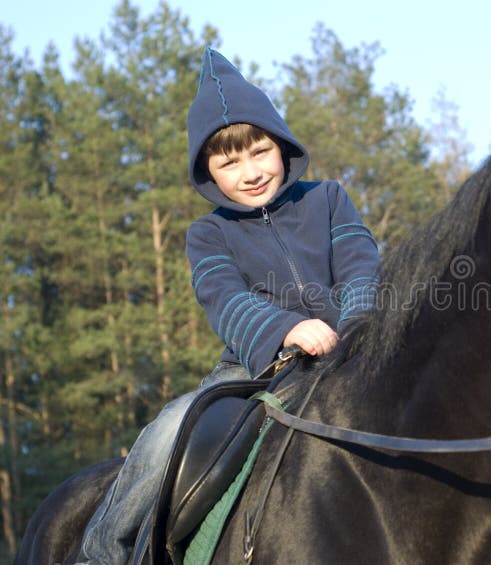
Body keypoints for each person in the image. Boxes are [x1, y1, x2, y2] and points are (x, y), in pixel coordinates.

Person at [77, 47, 381, 563]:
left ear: (282, 146)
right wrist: (287, 328)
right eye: (229, 162)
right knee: (172, 428)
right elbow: (224, 299)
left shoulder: (328, 199)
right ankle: (102, 553)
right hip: (251, 368)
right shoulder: (208, 233)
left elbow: (361, 267)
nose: (251, 172)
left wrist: (354, 330)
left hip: (349, 349)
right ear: (209, 173)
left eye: (260, 152)